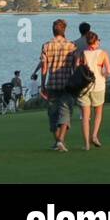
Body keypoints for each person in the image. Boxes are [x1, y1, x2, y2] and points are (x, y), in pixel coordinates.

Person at [40, 19, 79, 153]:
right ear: (64, 30)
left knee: (53, 114)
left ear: (53, 30)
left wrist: (42, 84)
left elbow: (44, 68)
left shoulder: (46, 46)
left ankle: (58, 141)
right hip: (67, 84)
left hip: (52, 84)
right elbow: (75, 67)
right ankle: (60, 141)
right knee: (65, 113)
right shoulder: (72, 46)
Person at [78, 31, 110, 150]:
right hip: (98, 86)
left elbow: (78, 69)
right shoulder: (103, 53)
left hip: (84, 88)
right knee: (98, 113)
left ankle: (86, 144)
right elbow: (108, 72)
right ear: (96, 41)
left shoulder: (82, 54)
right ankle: (94, 135)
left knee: (85, 117)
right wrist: (103, 73)